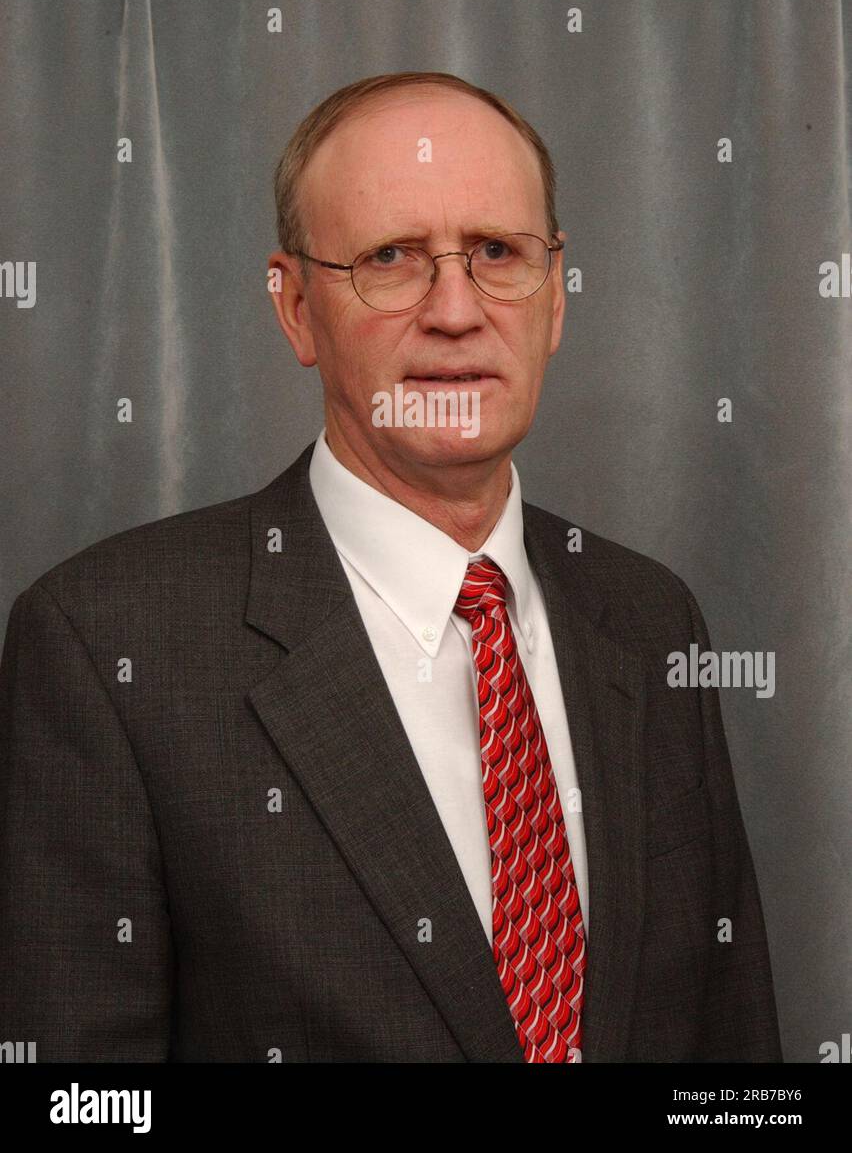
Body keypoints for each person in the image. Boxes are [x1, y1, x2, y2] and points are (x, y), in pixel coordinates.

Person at [0, 71, 781, 1062]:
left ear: (554, 294)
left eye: (497, 252)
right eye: (392, 258)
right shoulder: (109, 643)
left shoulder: (651, 618)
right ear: (294, 309)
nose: (456, 310)